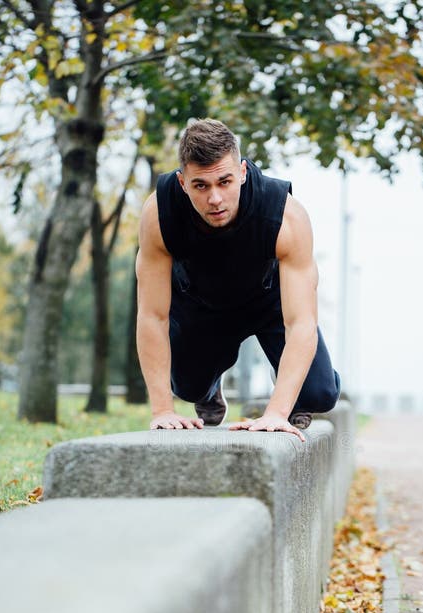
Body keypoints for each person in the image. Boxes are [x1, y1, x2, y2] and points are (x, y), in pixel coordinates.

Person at [136, 118, 340, 441]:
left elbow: (302, 322)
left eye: (225, 182)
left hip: (268, 300)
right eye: (201, 186)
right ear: (182, 182)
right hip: (202, 303)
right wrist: (162, 411)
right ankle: (210, 388)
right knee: (187, 387)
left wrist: (276, 413)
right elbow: (152, 315)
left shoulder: (285, 215)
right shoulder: (159, 215)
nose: (215, 199)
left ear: (243, 173)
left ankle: (287, 386)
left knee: (319, 394)